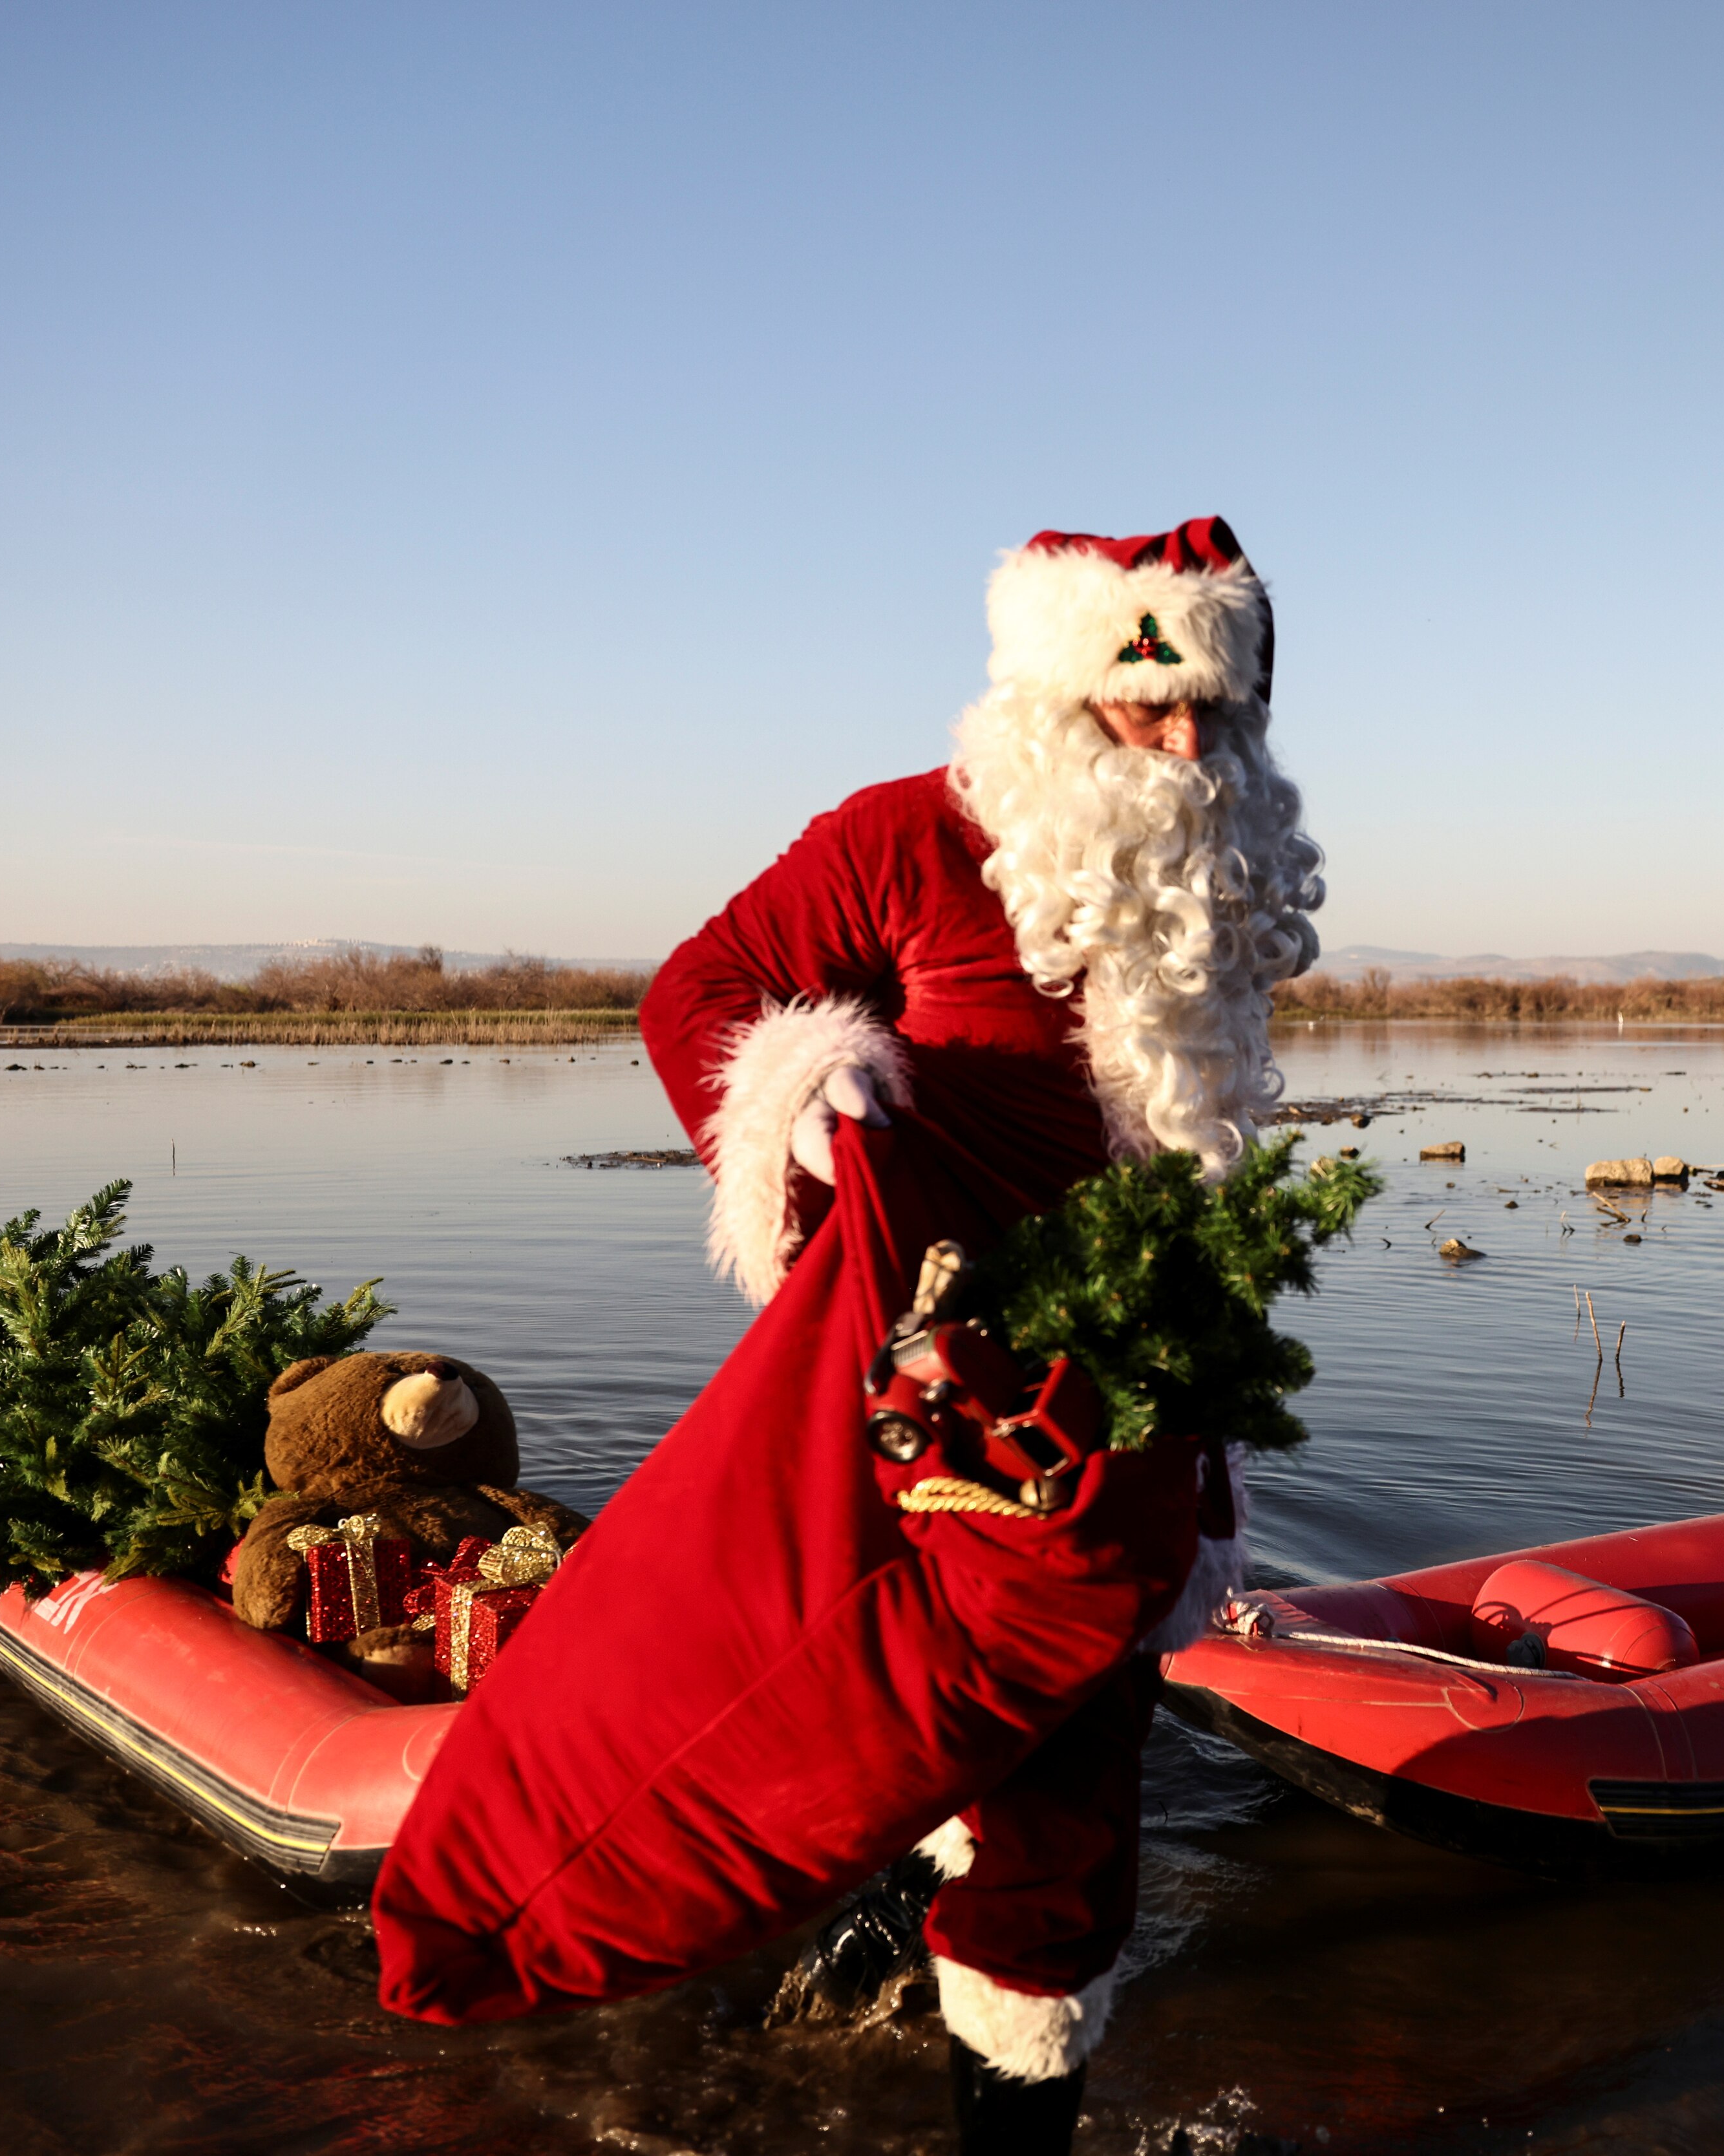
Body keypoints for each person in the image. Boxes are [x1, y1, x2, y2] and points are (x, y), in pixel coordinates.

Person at [367, 517, 1323, 2156]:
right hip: (942, 1397)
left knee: (1038, 1757)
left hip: (1138, 1395)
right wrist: (804, 1100)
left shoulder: (1206, 878)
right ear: (1049, 691)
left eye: (1206, 713)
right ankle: (996, 2091)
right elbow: (703, 992)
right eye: (1139, 709)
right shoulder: (903, 838)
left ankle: (911, 1975)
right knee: (1023, 1775)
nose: (1178, 744)